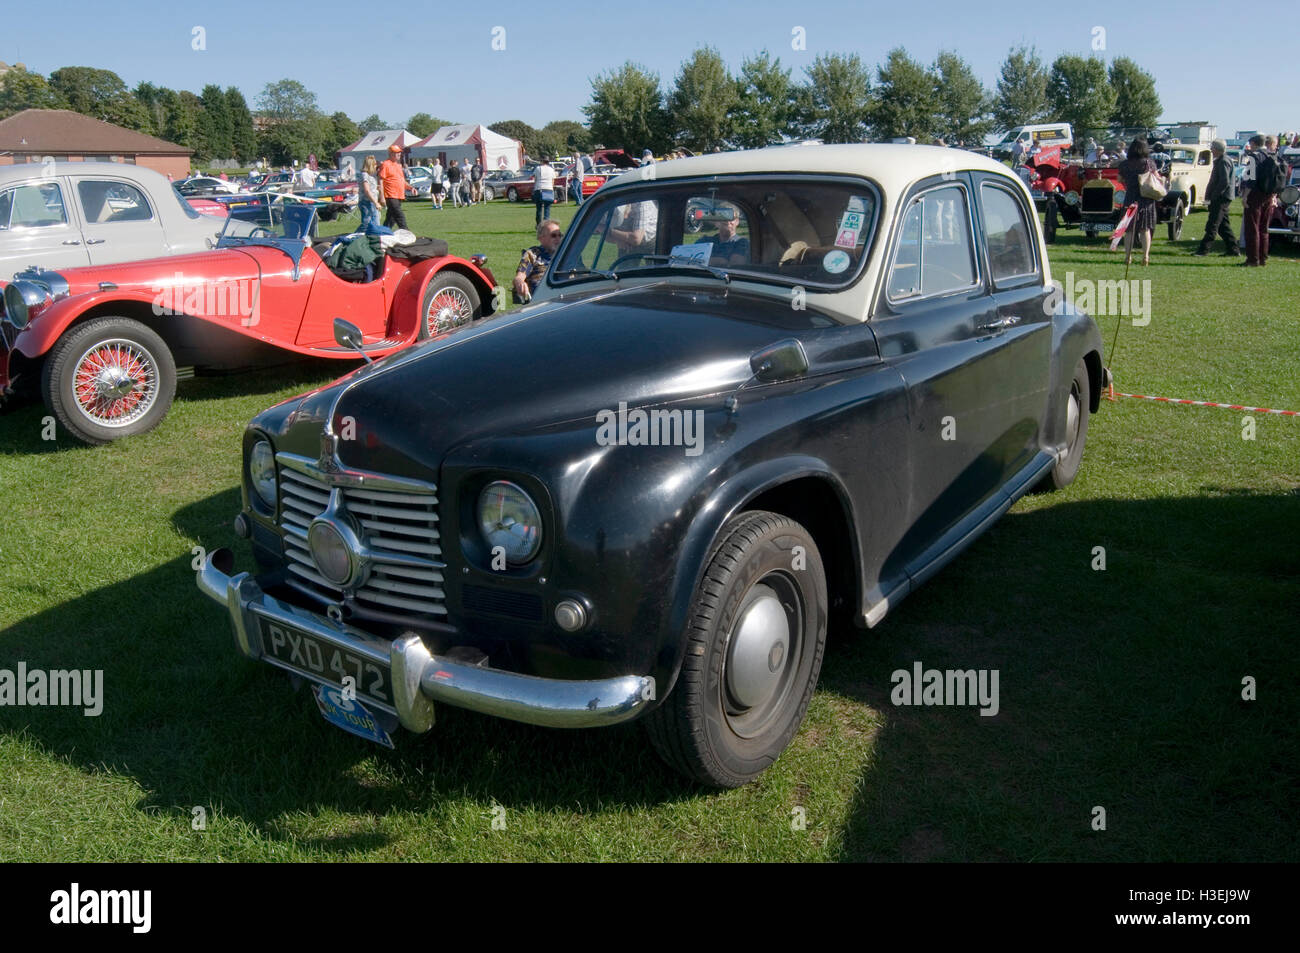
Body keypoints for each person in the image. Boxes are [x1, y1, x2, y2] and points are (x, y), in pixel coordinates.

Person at [1117, 137, 1159, 267]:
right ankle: (1145, 256)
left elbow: (1119, 179)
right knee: (1144, 229)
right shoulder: (1149, 163)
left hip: (1130, 198)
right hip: (1146, 199)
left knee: (1129, 230)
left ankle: (1128, 256)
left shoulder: (1124, 164)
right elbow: (1156, 177)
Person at [1194, 139, 1238, 257]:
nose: (1211, 150)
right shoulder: (1222, 160)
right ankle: (1233, 250)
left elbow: (1224, 181)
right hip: (1222, 197)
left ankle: (1203, 250)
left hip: (1221, 198)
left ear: (1218, 149)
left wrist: (1214, 195)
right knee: (1223, 226)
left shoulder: (1223, 161)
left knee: (1212, 224)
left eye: (1212, 148)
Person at [1240, 134, 1278, 267]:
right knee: (1263, 228)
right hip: (1268, 195)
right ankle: (1263, 258)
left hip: (1255, 195)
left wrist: (1245, 196)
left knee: (1252, 228)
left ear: (1255, 143)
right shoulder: (1272, 155)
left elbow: (1250, 179)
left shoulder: (1254, 157)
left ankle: (1252, 259)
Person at [512, 220, 564, 303]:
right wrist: (520, 282)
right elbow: (519, 276)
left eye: (560, 235)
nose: (558, 238)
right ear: (541, 238)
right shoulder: (533, 254)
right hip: (541, 301)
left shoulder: (566, 254)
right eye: (553, 235)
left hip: (566, 298)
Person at [379, 143, 409, 230]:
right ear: (391, 153)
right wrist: (382, 197)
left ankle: (384, 232)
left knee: (391, 218)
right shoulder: (385, 164)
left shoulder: (398, 165)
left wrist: (410, 188)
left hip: (399, 194)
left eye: (399, 152)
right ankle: (406, 232)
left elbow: (402, 181)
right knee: (399, 215)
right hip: (390, 194)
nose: (399, 154)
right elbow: (380, 180)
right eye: (396, 152)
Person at [358, 155, 383, 232]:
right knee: (367, 224)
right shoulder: (364, 175)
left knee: (375, 223)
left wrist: (376, 188)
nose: (376, 166)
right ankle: (353, 238)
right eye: (375, 165)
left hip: (372, 202)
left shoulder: (371, 176)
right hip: (367, 202)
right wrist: (376, 203)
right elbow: (367, 190)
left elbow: (371, 189)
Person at [533, 156, 556, 225]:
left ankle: (539, 224)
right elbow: (553, 180)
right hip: (548, 189)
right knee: (547, 208)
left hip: (539, 189)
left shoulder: (538, 168)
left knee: (539, 209)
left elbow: (535, 179)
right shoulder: (551, 169)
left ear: (542, 161)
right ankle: (546, 224)